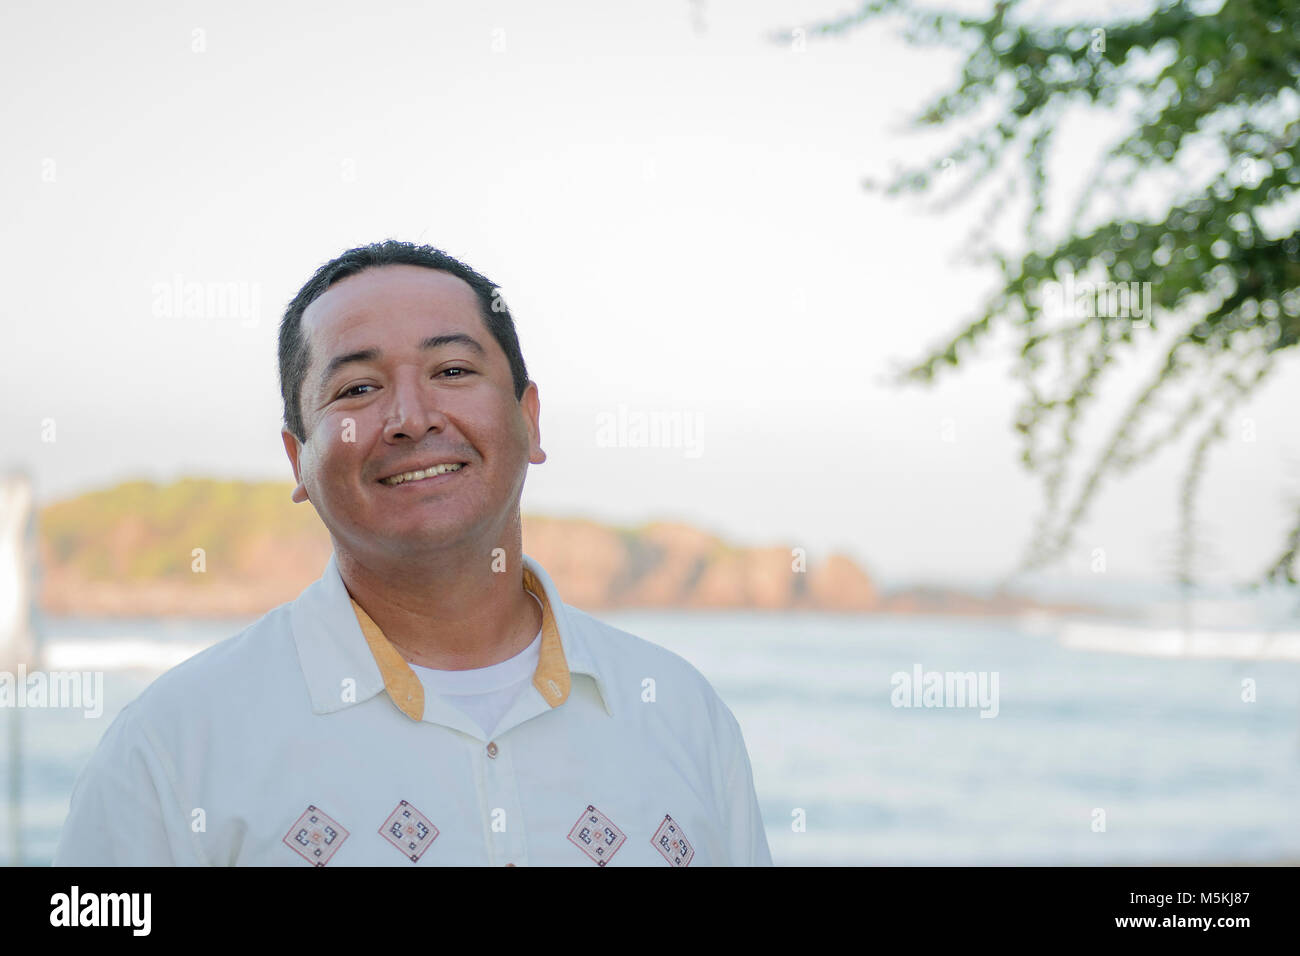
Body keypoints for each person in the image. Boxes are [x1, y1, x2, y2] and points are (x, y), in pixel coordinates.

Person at [53, 240, 772, 866]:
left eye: (452, 371)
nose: (411, 418)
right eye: (358, 388)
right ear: (297, 460)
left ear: (529, 418)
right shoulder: (173, 747)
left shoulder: (680, 715)